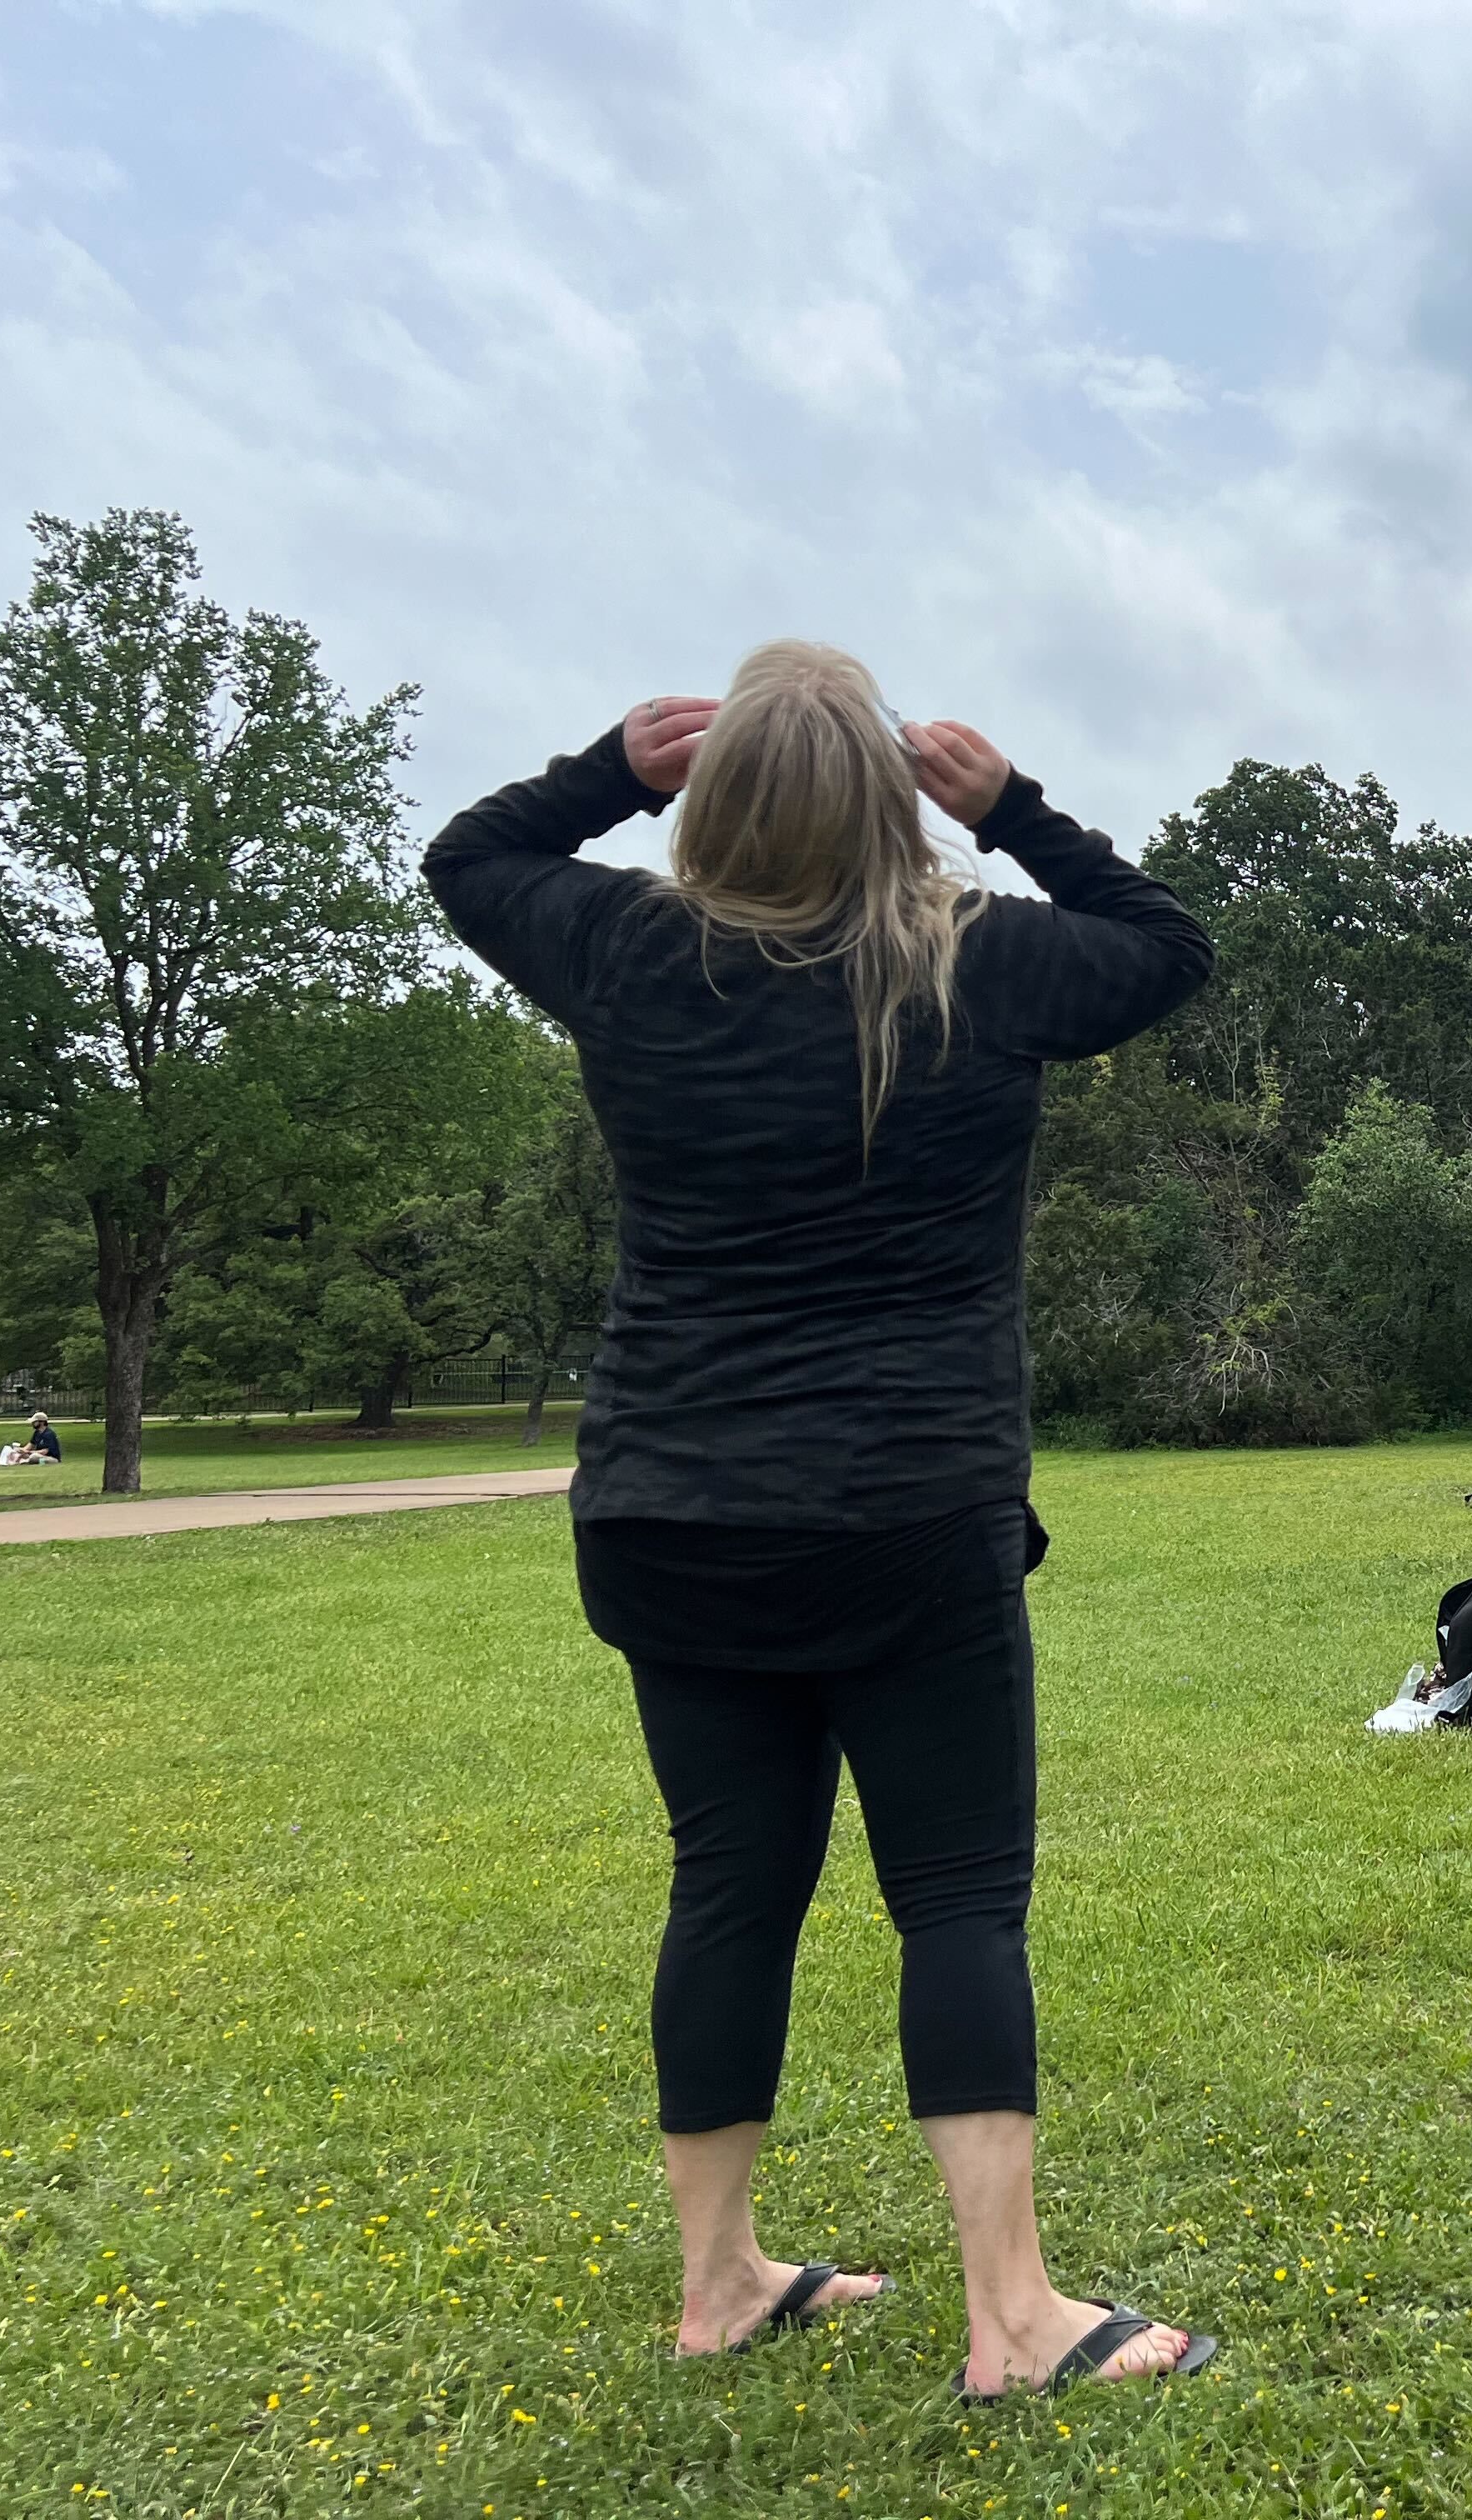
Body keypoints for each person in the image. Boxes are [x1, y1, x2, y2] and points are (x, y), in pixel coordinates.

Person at [424, 644, 1217, 2396]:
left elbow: (468, 864)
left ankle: (720, 2284)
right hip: (902, 1517)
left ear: (709, 799)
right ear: (886, 799)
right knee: (955, 1899)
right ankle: (1011, 2321)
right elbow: (1171, 948)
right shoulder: (984, 962)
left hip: (668, 1514)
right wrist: (1009, 810)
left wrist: (603, 777)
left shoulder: (629, 952)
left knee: (730, 1885)